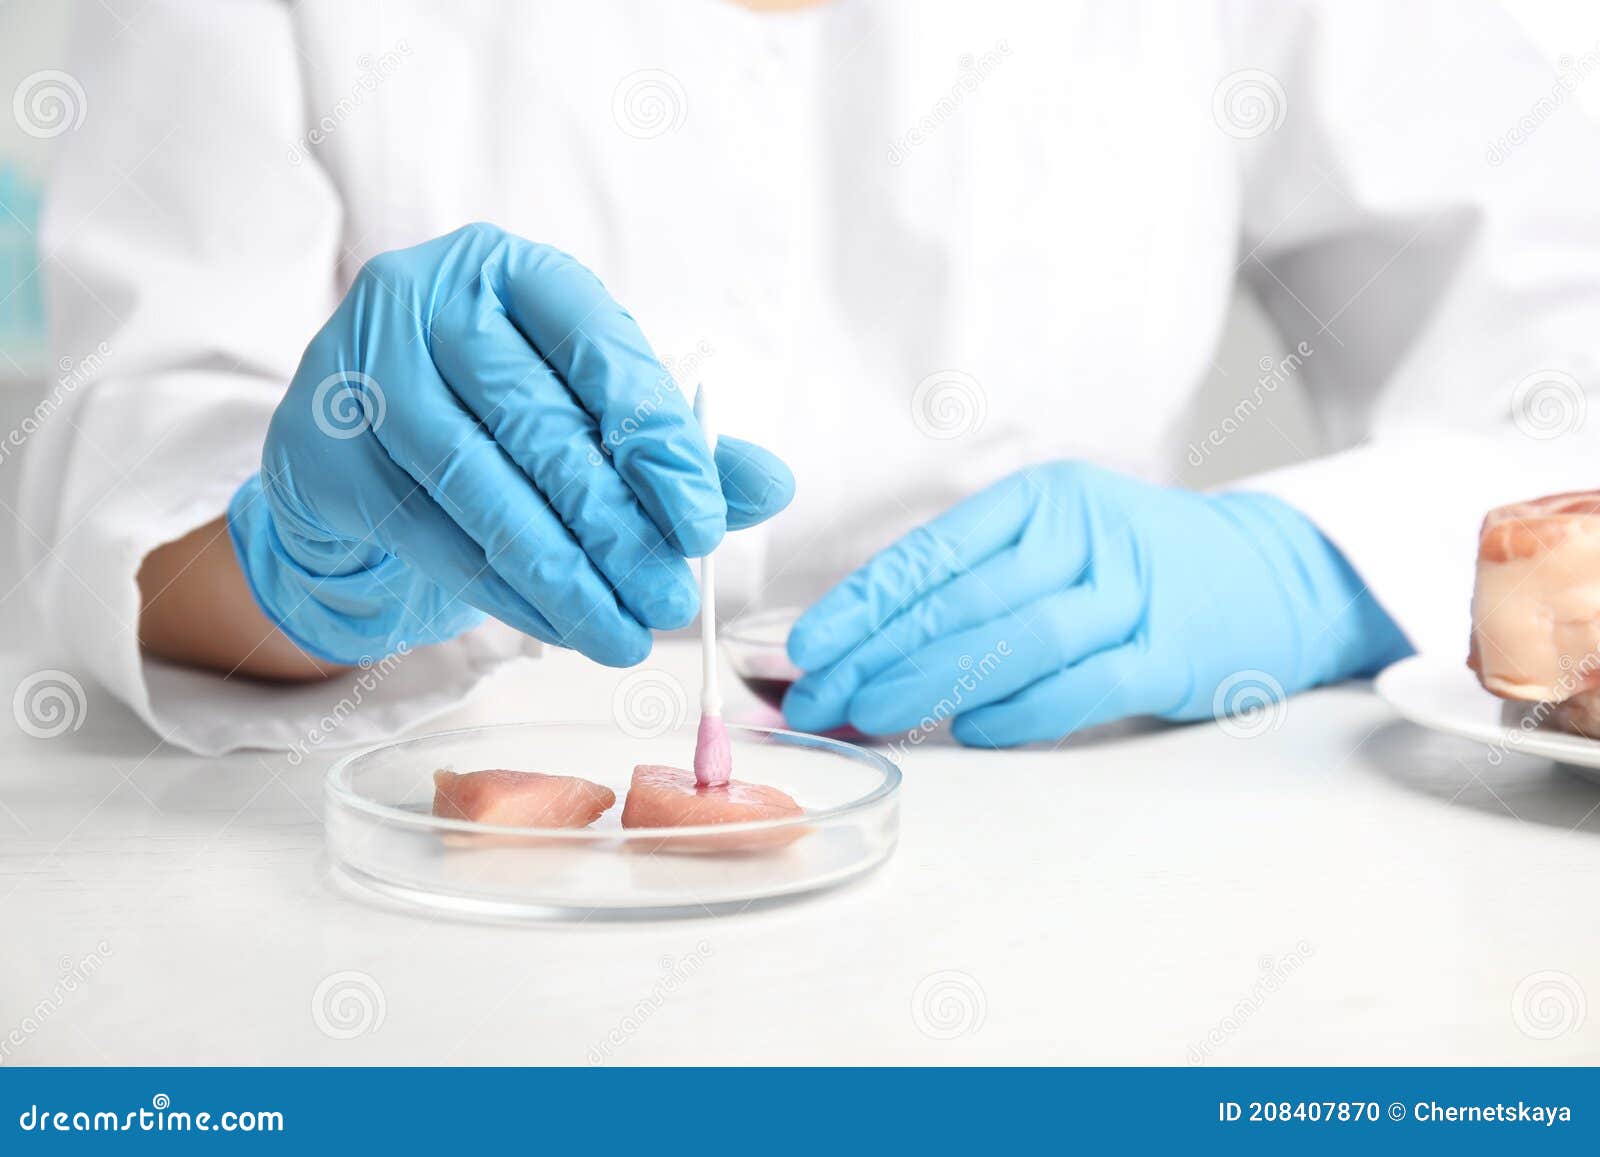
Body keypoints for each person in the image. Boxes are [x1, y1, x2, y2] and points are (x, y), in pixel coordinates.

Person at [21, 0, 1600, 755]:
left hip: (1095, 898)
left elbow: (1563, 353)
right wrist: (303, 563)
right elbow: (135, 492)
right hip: (409, 897)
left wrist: (1299, 570)